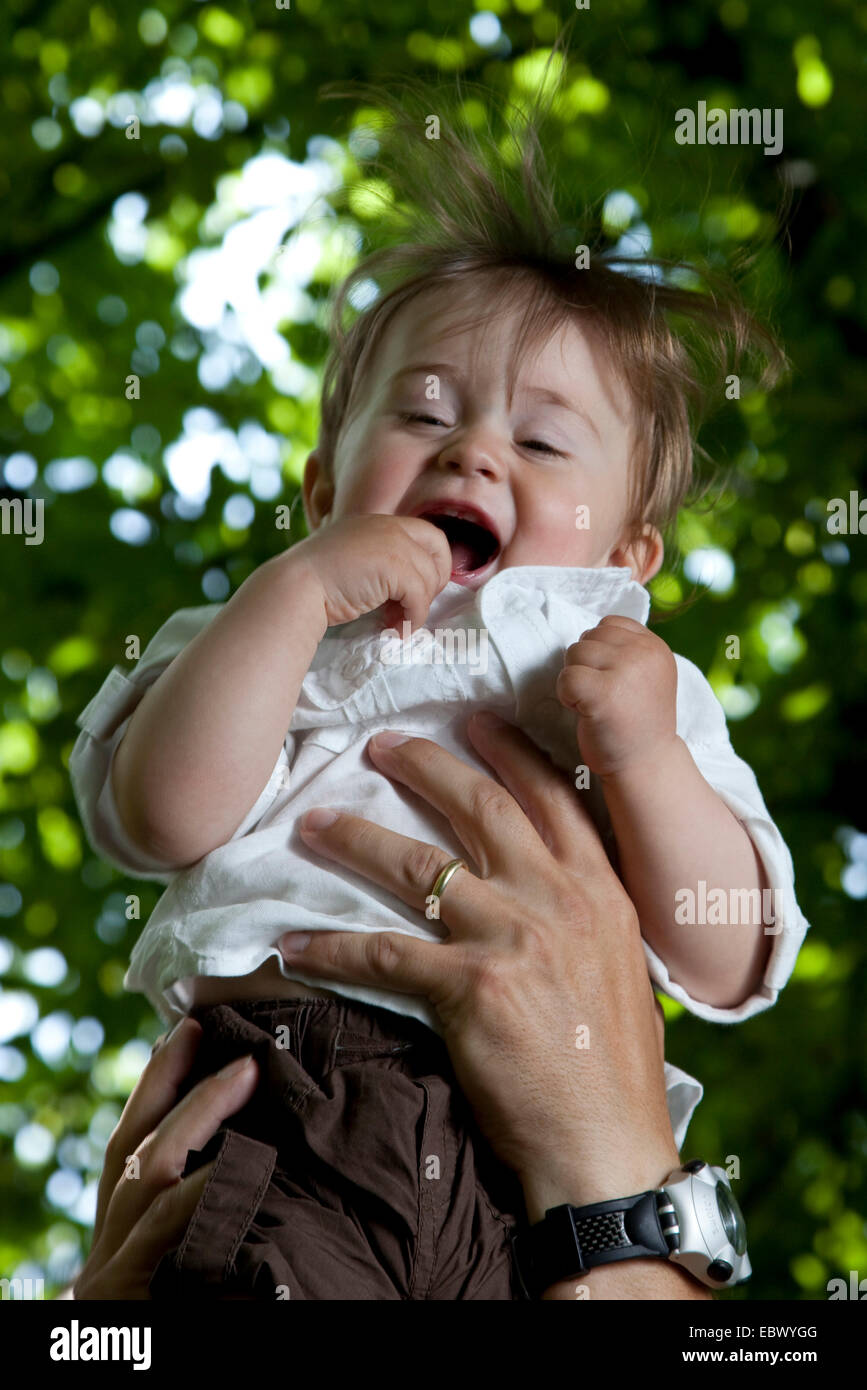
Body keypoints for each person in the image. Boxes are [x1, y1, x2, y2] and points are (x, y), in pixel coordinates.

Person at [66, 83, 808, 1297]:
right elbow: (160, 816)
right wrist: (293, 598)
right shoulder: (268, 633)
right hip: (288, 1105)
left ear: (627, 560)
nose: (474, 452)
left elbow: (725, 955)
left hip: (525, 1161)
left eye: (544, 441)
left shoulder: (627, 687)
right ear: (320, 494)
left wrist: (642, 756)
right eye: (424, 415)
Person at [63, 718, 708, 1300]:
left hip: (460, 1169)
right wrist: (622, 1186)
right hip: (303, 1104)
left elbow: (724, 953)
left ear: (632, 574)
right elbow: (153, 811)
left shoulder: (640, 686)